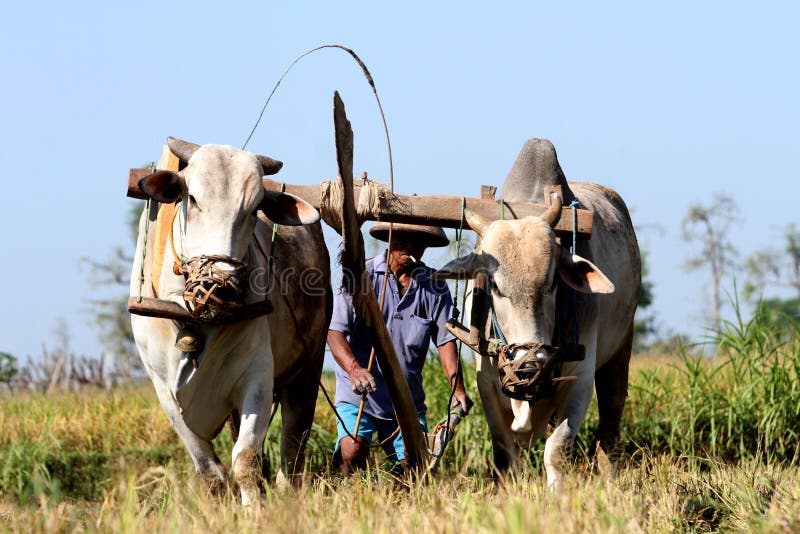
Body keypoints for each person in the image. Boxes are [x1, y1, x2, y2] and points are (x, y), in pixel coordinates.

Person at [328, 222, 473, 474]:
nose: (410, 245)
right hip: (361, 395)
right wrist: (355, 370)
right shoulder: (362, 275)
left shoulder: (435, 286)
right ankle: (342, 493)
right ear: (389, 238)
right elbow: (335, 332)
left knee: (412, 468)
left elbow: (445, 341)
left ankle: (397, 506)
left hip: (406, 400)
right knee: (352, 450)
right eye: (403, 237)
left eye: (418, 240)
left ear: (427, 246)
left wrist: (457, 387)